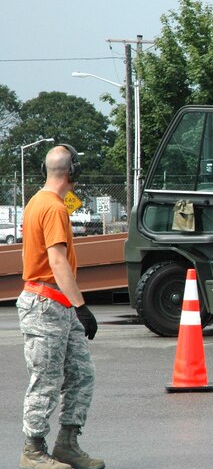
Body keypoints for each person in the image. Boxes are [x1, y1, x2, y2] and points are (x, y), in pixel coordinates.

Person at [17, 145, 104, 469]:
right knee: (46, 380)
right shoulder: (51, 207)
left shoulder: (39, 202)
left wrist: (73, 308)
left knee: (81, 375)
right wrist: (81, 306)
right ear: (73, 172)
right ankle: (33, 450)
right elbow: (56, 260)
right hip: (46, 304)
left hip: (58, 304)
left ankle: (67, 444)